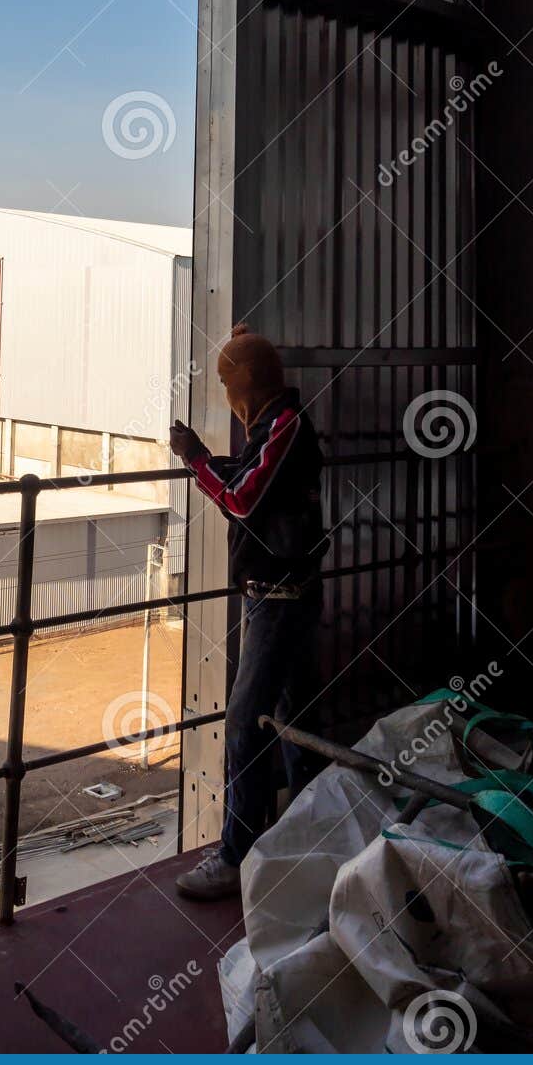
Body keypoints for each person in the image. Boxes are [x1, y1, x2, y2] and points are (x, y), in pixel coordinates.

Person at [169, 324, 327, 899]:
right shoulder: (273, 425)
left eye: (228, 384)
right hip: (279, 592)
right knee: (295, 717)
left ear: (247, 384)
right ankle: (306, 834)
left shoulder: (285, 428)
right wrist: (215, 461)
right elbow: (250, 478)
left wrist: (194, 459)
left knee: (244, 721)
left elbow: (240, 499)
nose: (228, 400)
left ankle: (236, 856)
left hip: (281, 598)